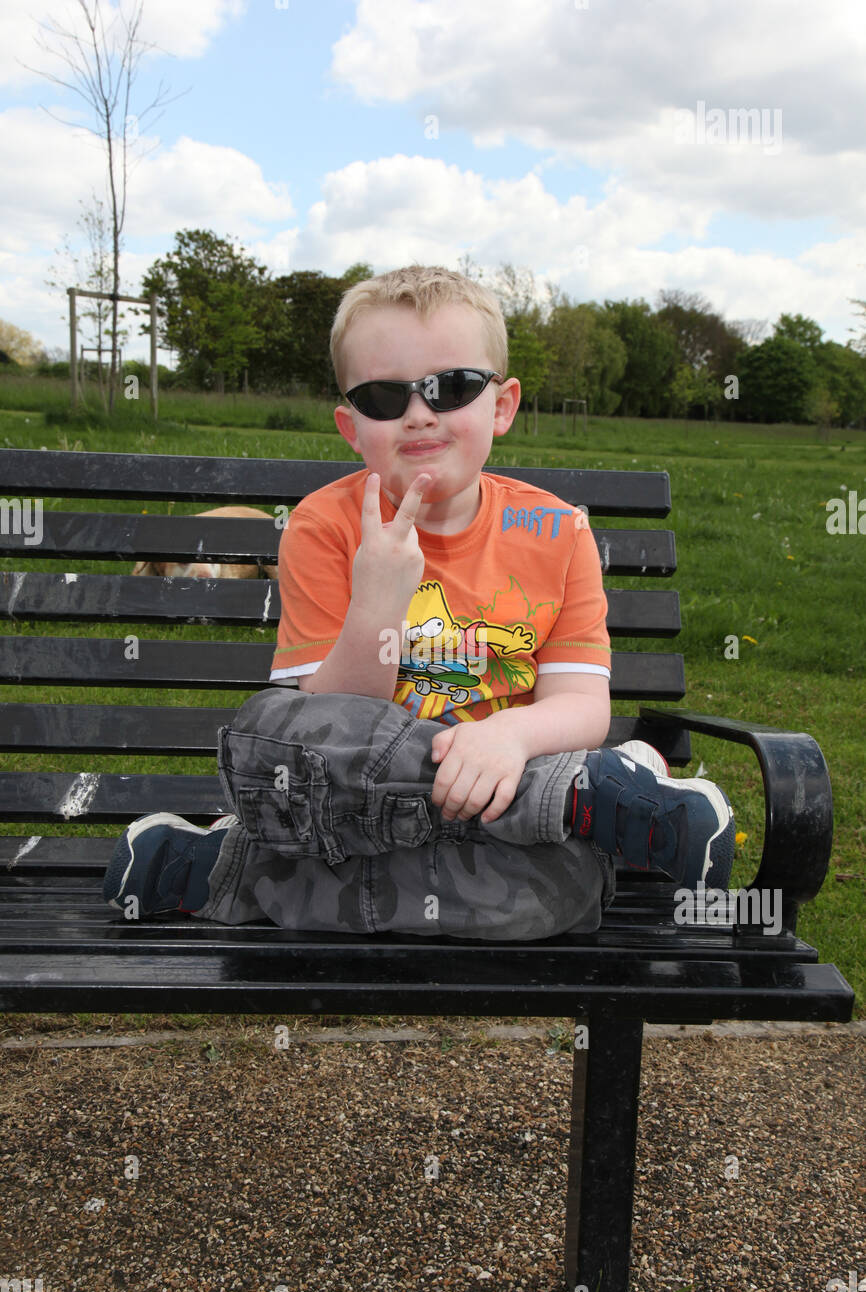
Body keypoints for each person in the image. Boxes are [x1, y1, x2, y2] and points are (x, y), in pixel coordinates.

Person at [103, 264, 735, 941]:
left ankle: (228, 869)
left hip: (490, 822)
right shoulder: (324, 526)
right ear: (351, 426)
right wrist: (377, 600)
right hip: (349, 813)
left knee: (559, 895)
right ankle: (582, 797)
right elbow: (308, 734)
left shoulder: (557, 531)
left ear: (501, 405)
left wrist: (506, 737)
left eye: (452, 386)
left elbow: (582, 705)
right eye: (384, 397)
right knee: (274, 734)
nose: (419, 414)